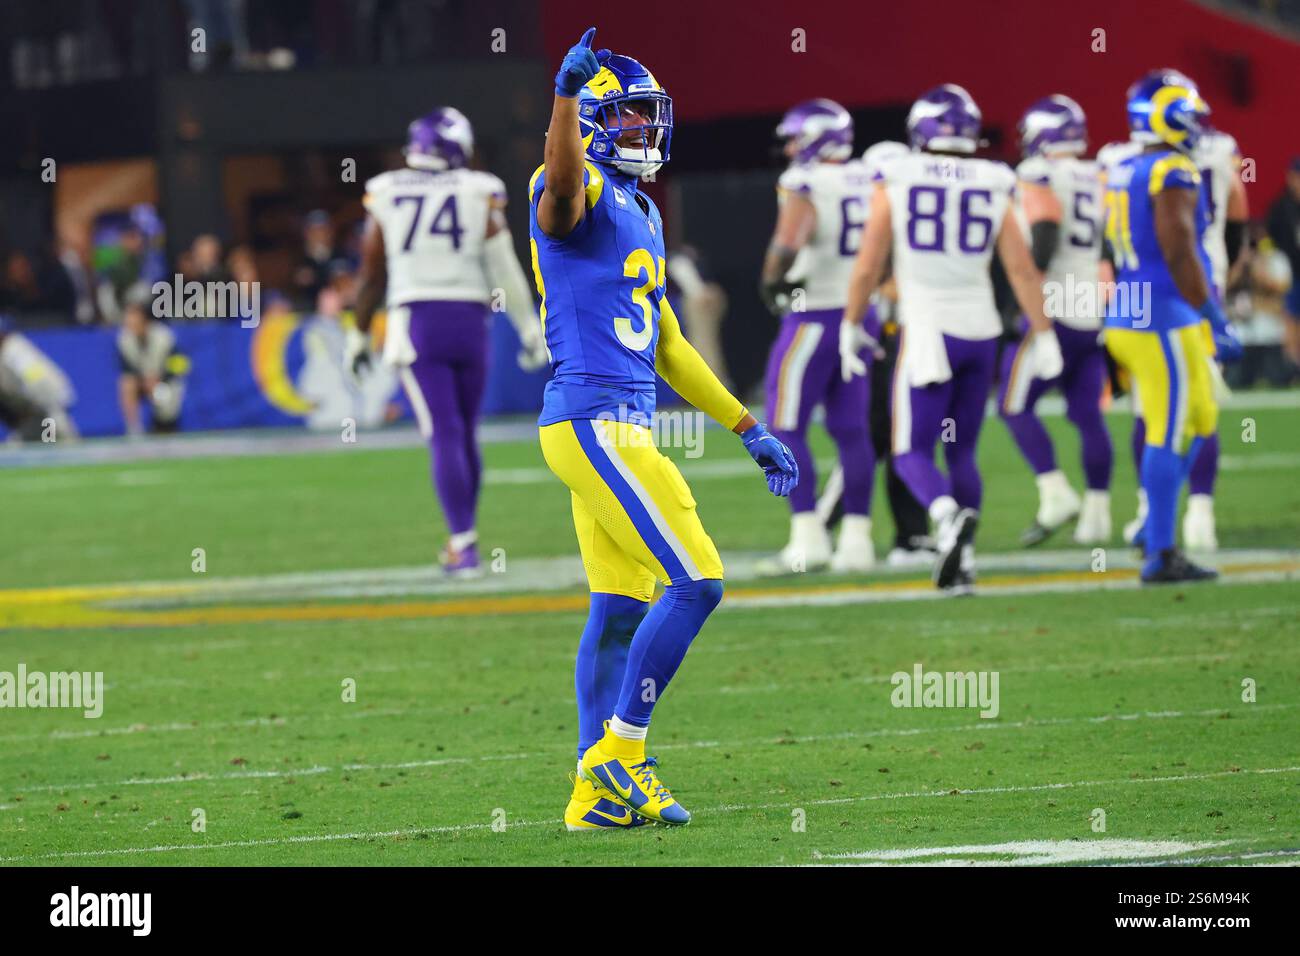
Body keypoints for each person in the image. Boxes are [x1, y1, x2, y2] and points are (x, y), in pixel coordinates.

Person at [532, 29, 796, 829]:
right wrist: (566, 101)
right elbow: (562, 190)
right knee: (698, 580)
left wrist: (747, 425)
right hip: (594, 419)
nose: (648, 133)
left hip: (616, 426)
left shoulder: (641, 208)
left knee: (617, 610)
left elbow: (673, 347)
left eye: (649, 118)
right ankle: (620, 751)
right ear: (592, 125)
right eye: (632, 119)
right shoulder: (567, 184)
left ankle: (590, 797)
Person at [840, 84, 1062, 594]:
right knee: (960, 452)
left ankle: (943, 520)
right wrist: (1044, 333)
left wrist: (852, 324)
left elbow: (870, 262)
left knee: (910, 452)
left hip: (927, 333)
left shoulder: (898, 175)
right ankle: (964, 566)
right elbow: (1022, 269)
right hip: (981, 331)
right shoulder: (993, 178)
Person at [349, 106, 548, 576]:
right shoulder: (479, 191)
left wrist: (358, 333)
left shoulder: (387, 190)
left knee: (444, 433)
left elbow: (371, 272)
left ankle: (464, 544)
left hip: (417, 320)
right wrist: (527, 325)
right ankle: (465, 537)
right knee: (463, 431)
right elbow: (505, 268)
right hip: (470, 319)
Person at [1101, 69, 1241, 583]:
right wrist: (1213, 315)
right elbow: (1179, 248)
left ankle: (1152, 528)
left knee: (1202, 416)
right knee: (1169, 426)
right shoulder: (1172, 169)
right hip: (1163, 314)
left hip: (1133, 306)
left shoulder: (1125, 166)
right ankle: (1161, 551)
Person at [757, 98, 875, 574]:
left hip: (812, 318)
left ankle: (808, 539)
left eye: (794, 137)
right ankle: (857, 541)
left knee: (785, 426)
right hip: (858, 316)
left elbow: (790, 241)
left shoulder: (805, 181)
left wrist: (770, 281)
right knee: (852, 430)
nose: (788, 147)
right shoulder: (870, 176)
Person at [997, 95, 1113, 547]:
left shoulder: (1038, 173)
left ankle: (1055, 491)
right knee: (1087, 415)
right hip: (1093, 306)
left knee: (1012, 405)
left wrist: (1027, 295)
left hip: (1055, 305)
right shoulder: (1098, 173)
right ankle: (1098, 514)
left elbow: (1044, 232)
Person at [117, 296, 189, 435]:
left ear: (144, 319)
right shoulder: (124, 340)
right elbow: (127, 369)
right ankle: (134, 429)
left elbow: (181, 364)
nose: (129, 322)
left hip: (165, 383)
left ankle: (165, 426)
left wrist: (160, 378)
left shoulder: (164, 337)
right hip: (143, 382)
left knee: (164, 402)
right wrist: (144, 380)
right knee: (127, 384)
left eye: (134, 317)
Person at [1266, 158, 1300, 368]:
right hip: (1291, 273)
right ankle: (1293, 365)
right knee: (1292, 319)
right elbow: (1270, 242)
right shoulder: (1281, 208)